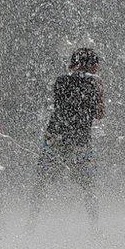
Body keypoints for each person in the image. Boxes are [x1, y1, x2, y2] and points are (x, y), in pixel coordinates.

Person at [29, 47, 105, 227]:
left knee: (41, 182)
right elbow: (99, 114)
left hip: (55, 137)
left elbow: (62, 105)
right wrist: (99, 90)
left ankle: (31, 223)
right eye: (95, 65)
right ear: (91, 65)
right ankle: (95, 227)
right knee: (88, 186)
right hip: (79, 141)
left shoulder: (61, 81)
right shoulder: (94, 84)